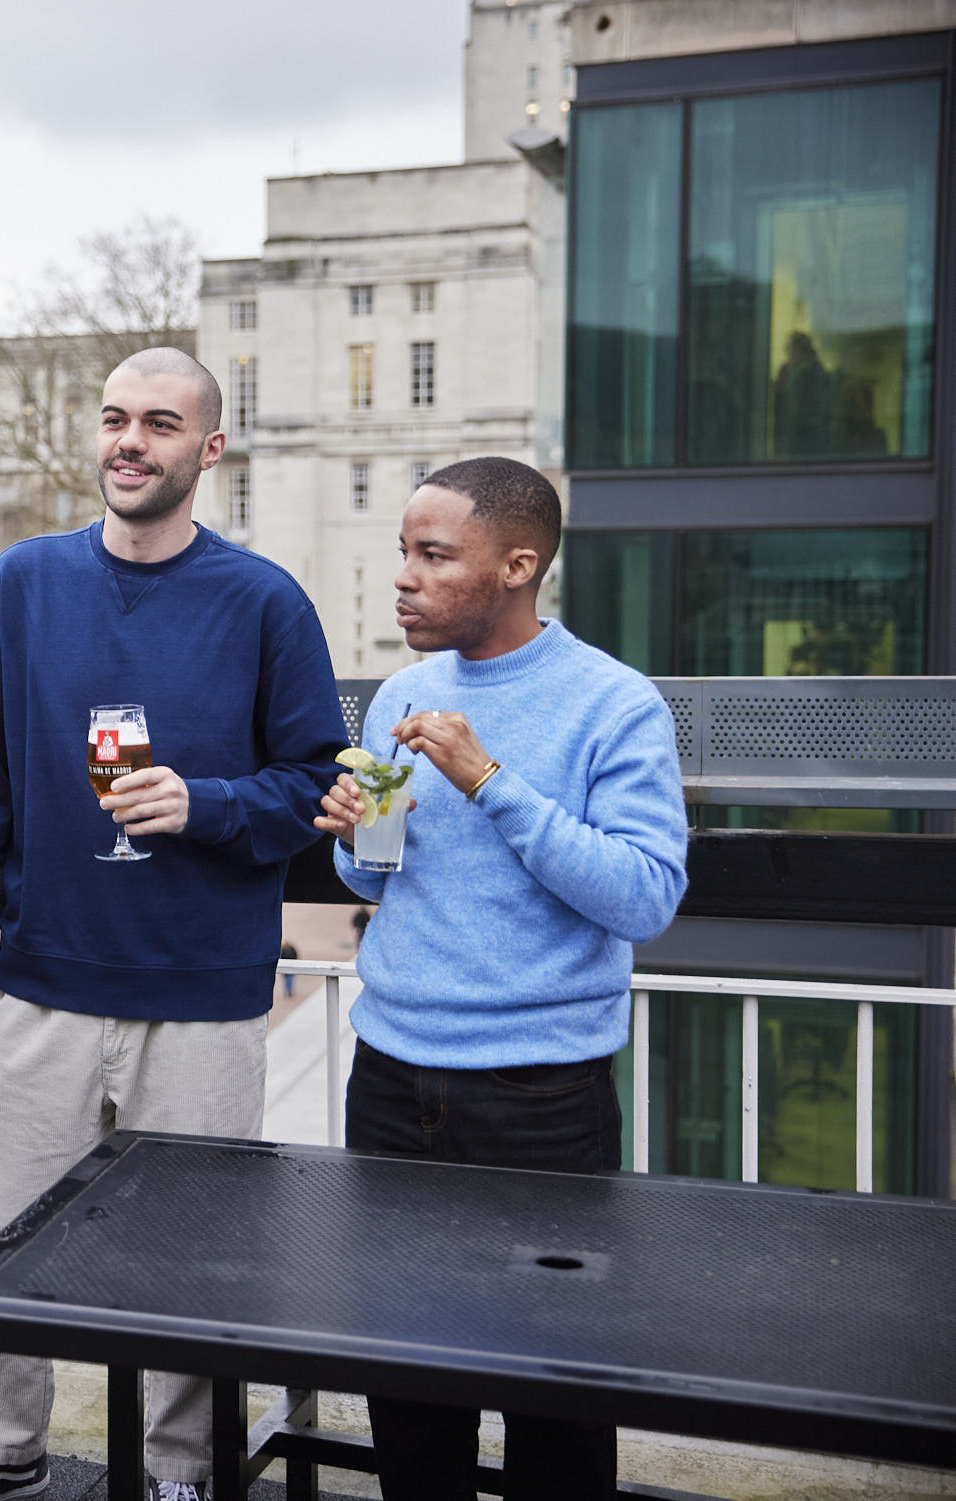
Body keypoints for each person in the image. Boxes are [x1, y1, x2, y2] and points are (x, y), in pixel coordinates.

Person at [0, 348, 347, 1501]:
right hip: (42, 985)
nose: (131, 440)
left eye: (160, 423)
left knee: (192, 1263)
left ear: (209, 449)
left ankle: (180, 1471)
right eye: (115, 419)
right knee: (2, 1243)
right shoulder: (24, 583)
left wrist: (203, 803)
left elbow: (316, 780)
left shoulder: (265, 601)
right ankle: (4, 1450)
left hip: (205, 992)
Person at [314, 456, 688, 1500]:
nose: (404, 576)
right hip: (391, 1074)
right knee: (409, 1381)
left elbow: (647, 894)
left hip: (542, 1096)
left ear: (519, 564)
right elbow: (380, 873)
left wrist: (490, 781)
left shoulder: (615, 703)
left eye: (434, 555)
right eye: (403, 551)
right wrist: (357, 838)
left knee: (556, 1395)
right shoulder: (403, 688)